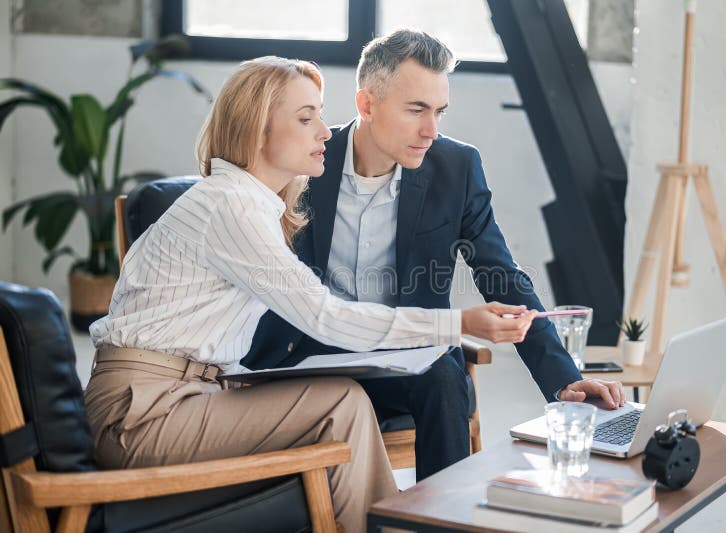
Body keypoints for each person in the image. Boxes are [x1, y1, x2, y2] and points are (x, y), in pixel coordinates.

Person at [84, 55, 537, 532]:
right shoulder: (230, 205)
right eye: (306, 118)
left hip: (183, 397)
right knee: (342, 404)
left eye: (320, 115)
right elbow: (326, 317)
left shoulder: (251, 205)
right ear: (258, 131)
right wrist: (461, 323)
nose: (325, 131)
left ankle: (396, 525)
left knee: (346, 400)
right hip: (142, 414)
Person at [243, 30, 626, 481]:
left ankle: (443, 518)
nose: (431, 130)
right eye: (416, 110)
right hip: (309, 355)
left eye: (439, 111)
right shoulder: (305, 161)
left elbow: (500, 274)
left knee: (446, 376)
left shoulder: (456, 167)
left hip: (406, 354)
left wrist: (563, 379)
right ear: (366, 105)